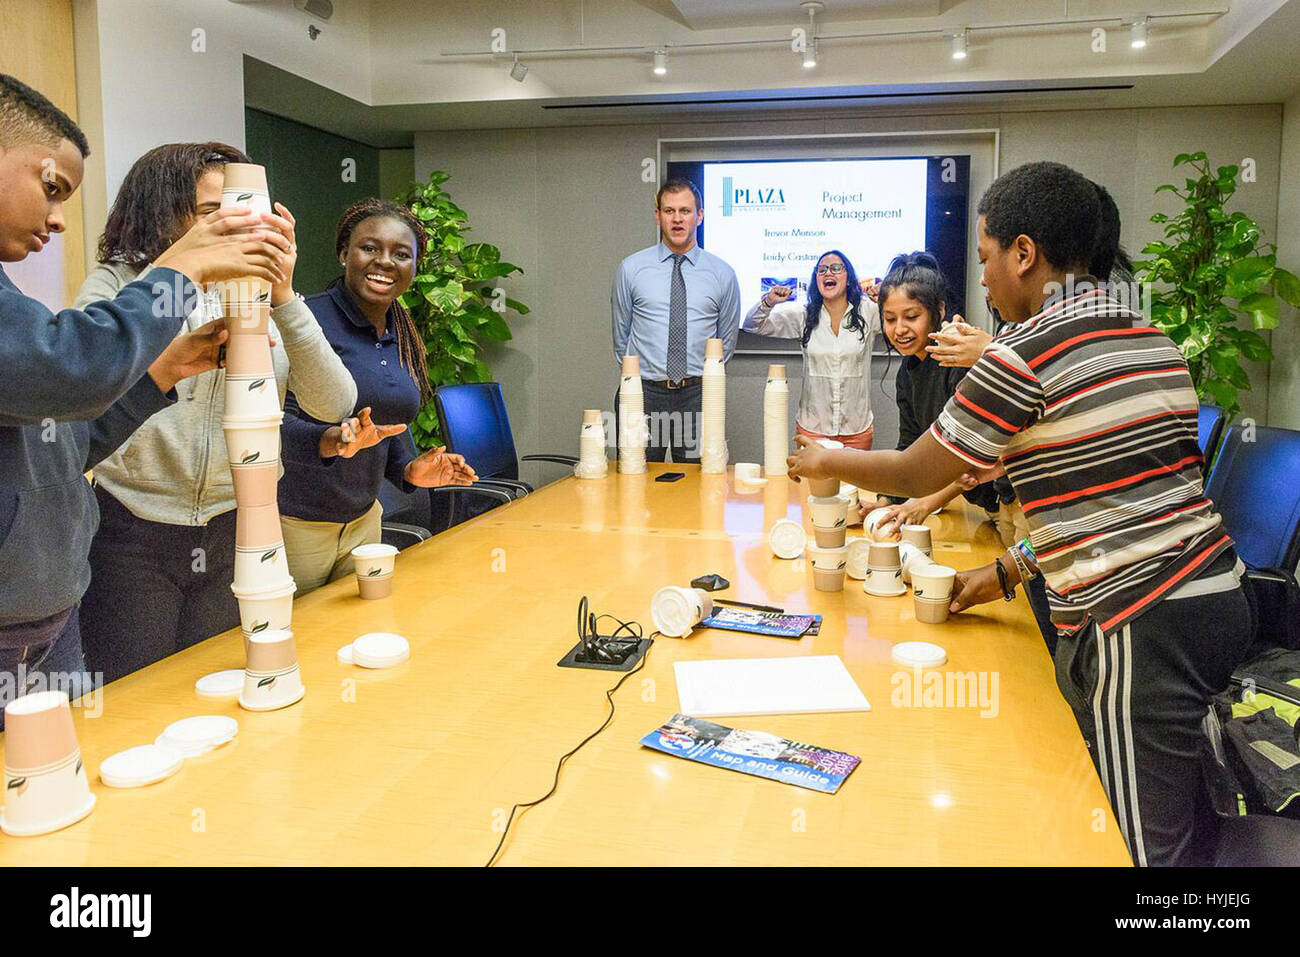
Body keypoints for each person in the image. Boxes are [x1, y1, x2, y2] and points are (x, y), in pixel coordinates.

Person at [787, 161, 1253, 866]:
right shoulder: (1149, 335)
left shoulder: (1023, 352)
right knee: (1186, 815)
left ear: (1024, 253)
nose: (982, 279)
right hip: (1218, 596)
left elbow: (919, 469)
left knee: (1140, 846)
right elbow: (1119, 502)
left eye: (985, 258)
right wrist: (1006, 571)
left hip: (1140, 619)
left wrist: (825, 458)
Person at [0, 73, 290, 718]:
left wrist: (162, 374)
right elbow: (72, 372)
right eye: (49, 189)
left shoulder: (10, 297)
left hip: (48, 611)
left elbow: (69, 432)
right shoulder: (128, 285)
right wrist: (181, 270)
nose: (56, 219)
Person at [73, 143, 358, 684]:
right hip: (135, 530)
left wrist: (284, 295)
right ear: (163, 210)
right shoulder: (120, 283)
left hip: (238, 529)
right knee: (139, 693)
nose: (233, 225)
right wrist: (178, 285)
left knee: (220, 683)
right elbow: (92, 383)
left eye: (242, 210)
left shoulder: (258, 291)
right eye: (212, 212)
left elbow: (333, 403)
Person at [279, 198, 477, 594]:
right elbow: (271, 420)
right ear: (343, 253)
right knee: (299, 643)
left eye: (401, 254)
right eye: (370, 248)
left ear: (414, 267)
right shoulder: (306, 321)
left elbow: (386, 422)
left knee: (361, 632)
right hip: (296, 524)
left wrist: (409, 470)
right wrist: (329, 441)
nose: (385, 261)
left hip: (365, 520)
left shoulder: (398, 334)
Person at [863, 251, 1009, 534]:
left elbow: (970, 455)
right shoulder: (907, 372)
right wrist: (885, 500)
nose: (899, 329)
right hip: (977, 503)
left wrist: (925, 503)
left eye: (912, 316)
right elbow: (909, 445)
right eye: (890, 319)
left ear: (939, 311)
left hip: (1004, 499)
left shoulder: (958, 358)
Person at [611, 178, 741, 462]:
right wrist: (640, 379)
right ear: (658, 216)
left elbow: (726, 342)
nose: (678, 219)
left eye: (685, 211)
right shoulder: (631, 269)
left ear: (700, 215)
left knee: (698, 484)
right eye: (669, 211)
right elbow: (621, 337)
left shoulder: (722, 274)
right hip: (643, 395)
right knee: (636, 480)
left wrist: (700, 382)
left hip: (698, 396)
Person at [742, 250, 881, 449]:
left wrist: (887, 299)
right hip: (813, 429)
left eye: (835, 268)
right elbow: (752, 325)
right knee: (811, 481)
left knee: (852, 482)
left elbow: (906, 321)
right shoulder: (804, 315)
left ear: (849, 278)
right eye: (822, 270)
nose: (828, 273)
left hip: (856, 430)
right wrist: (768, 301)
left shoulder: (869, 312)